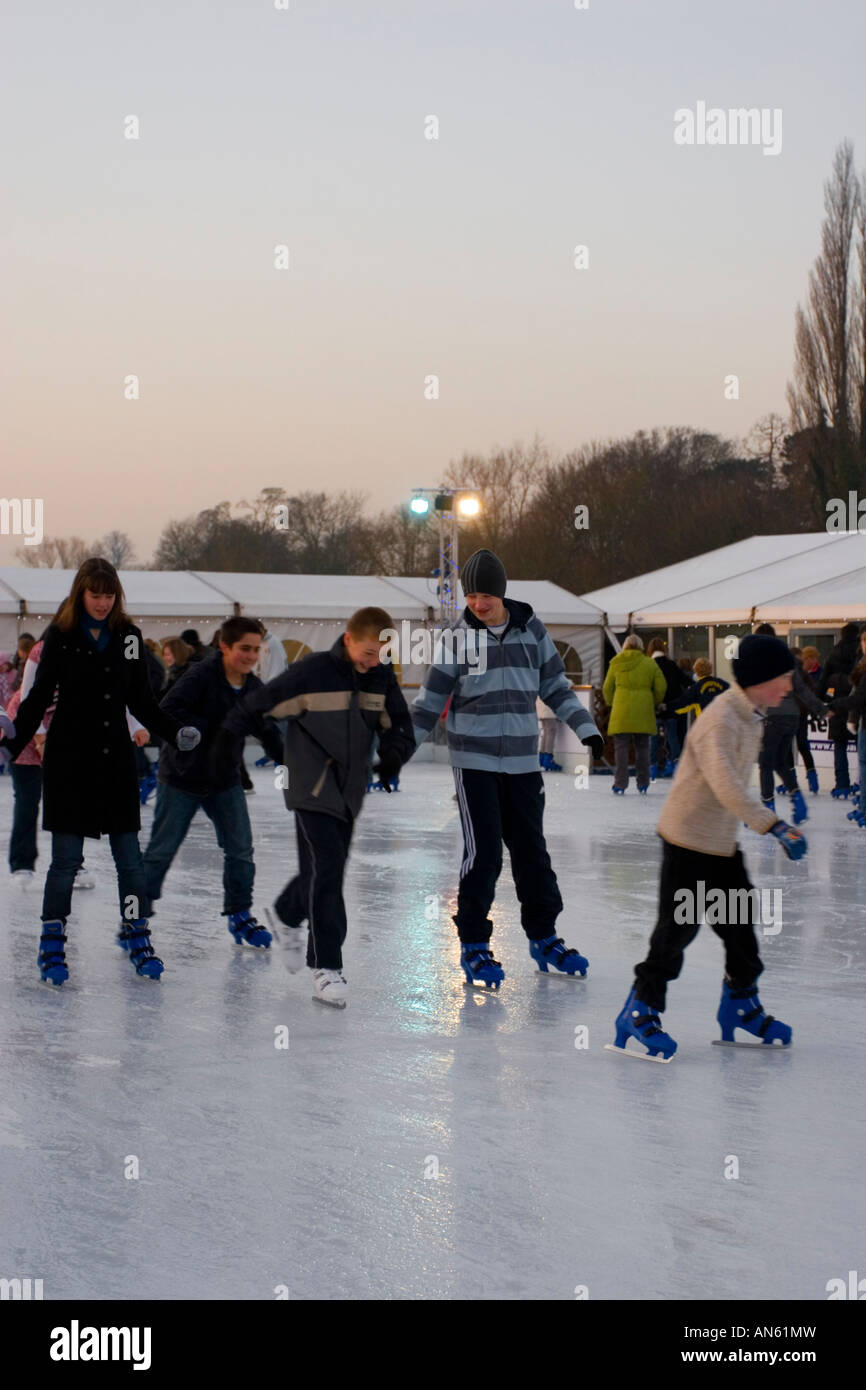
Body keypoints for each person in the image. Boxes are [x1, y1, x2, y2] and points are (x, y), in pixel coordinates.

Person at [0, 558, 200, 985]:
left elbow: (142, 701)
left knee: (130, 862)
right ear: (80, 594)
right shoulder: (62, 637)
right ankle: (52, 939)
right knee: (66, 861)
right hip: (70, 761)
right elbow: (36, 700)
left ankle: (136, 931)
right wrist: (10, 743)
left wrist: (172, 731)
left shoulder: (128, 637)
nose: (103, 603)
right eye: (96, 595)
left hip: (115, 763)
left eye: (110, 595)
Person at [411, 549, 604, 989]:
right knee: (484, 856)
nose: (479, 604)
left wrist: (584, 727)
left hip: (521, 762)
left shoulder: (532, 632)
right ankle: (474, 944)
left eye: (486, 595)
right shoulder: (456, 640)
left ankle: (544, 936)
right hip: (473, 763)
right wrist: (395, 750)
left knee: (533, 854)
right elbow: (428, 705)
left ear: (502, 593)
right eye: (472, 595)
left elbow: (555, 686)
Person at [609, 634, 804, 1061]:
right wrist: (772, 825)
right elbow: (725, 785)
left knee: (740, 928)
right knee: (676, 931)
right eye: (783, 678)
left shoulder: (751, 714)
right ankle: (638, 1008)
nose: (788, 686)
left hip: (719, 845)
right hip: (686, 841)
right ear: (759, 679)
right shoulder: (722, 719)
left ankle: (740, 1004)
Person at [214, 607, 414, 1007]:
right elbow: (258, 704)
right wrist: (228, 741)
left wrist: (393, 756)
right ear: (348, 639)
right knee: (328, 868)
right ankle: (326, 966)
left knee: (321, 868)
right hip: (309, 783)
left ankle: (288, 912)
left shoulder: (381, 678)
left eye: (381, 655)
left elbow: (400, 726)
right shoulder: (314, 671)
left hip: (349, 790)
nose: (373, 662)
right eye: (368, 652)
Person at [140, 617, 283, 946]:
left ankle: (239, 913)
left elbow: (269, 732)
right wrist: (203, 727)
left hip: (224, 781)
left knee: (241, 850)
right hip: (182, 776)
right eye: (244, 649)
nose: (250, 656)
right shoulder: (201, 676)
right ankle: (137, 918)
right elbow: (167, 709)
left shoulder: (253, 689)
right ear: (225, 647)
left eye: (255, 650)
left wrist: (291, 762)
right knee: (161, 852)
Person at [754, 624, 827, 823]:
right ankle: (798, 799)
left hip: (773, 716)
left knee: (766, 764)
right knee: (781, 763)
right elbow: (802, 689)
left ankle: (767, 809)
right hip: (792, 717)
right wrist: (821, 709)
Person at [602, 634, 666, 794]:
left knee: (621, 748)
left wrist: (612, 703)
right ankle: (643, 782)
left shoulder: (616, 662)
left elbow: (607, 688)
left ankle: (620, 783)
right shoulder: (649, 663)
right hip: (643, 709)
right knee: (643, 747)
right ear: (640, 646)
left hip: (621, 710)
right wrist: (654, 702)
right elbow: (661, 686)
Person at [646, 638, 691, 778]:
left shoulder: (649, 665)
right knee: (672, 737)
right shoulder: (672, 664)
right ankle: (674, 764)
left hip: (655, 706)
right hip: (672, 707)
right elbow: (687, 681)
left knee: (653, 738)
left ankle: (652, 766)